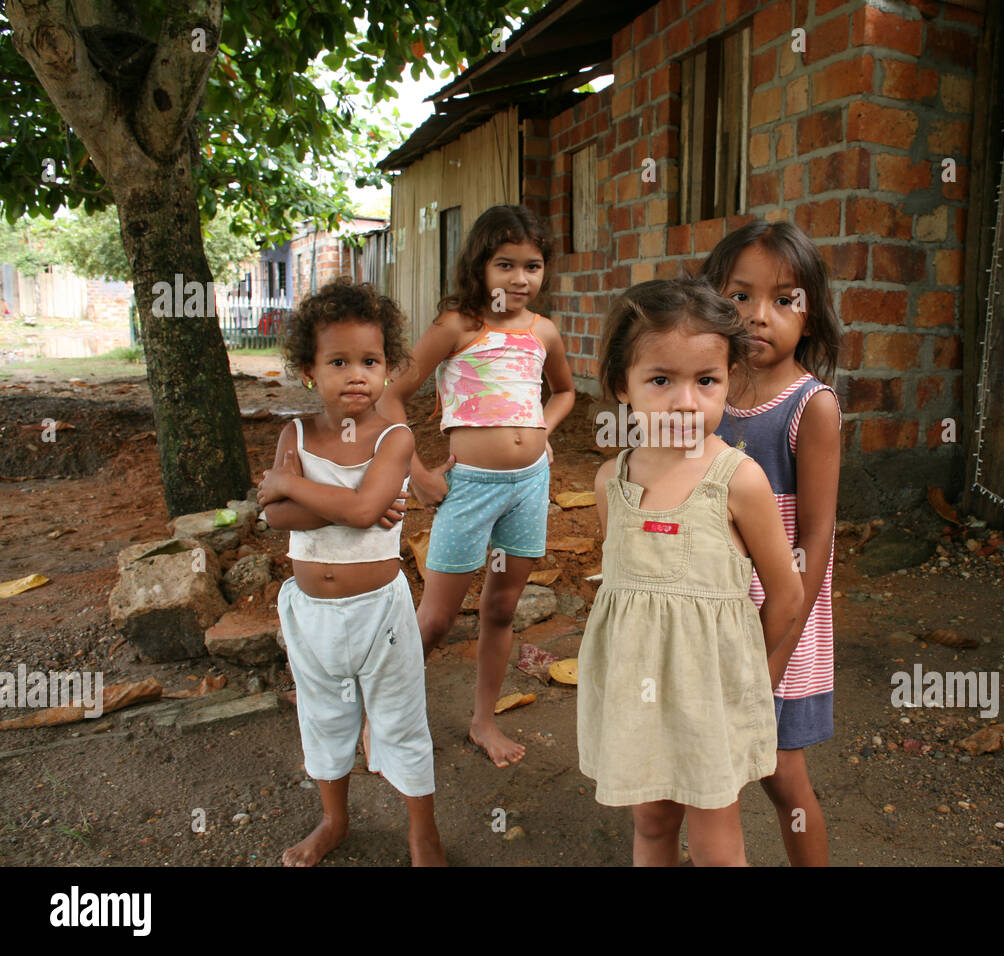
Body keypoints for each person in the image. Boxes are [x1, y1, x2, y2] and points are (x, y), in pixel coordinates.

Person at [577, 278, 804, 866]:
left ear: (729, 382)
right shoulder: (612, 483)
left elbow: (787, 595)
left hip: (711, 697)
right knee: (651, 821)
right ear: (620, 387)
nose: (685, 400)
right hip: (636, 692)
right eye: (661, 380)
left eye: (706, 381)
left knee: (715, 834)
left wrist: (754, 677)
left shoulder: (739, 480)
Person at [375, 205, 575, 768]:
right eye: (504, 264)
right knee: (436, 617)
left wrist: (542, 427)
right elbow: (392, 395)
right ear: (479, 267)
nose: (519, 279)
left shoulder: (544, 332)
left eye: (532, 267)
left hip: (530, 486)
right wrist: (415, 472)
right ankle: (378, 716)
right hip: (468, 488)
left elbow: (563, 393)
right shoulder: (457, 326)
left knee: (502, 608)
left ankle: (483, 722)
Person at [258, 277, 444, 866]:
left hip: (379, 616)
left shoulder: (395, 437)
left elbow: (362, 511)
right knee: (323, 719)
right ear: (309, 371)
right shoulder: (295, 433)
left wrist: (292, 486)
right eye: (338, 361)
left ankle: (423, 835)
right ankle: (334, 821)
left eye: (371, 360)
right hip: (309, 614)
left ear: (389, 369)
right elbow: (275, 519)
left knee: (401, 720)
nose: (357, 374)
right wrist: (345, 507)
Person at [700, 221, 843, 866]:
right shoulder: (706, 392)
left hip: (777, 617)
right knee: (707, 764)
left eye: (784, 299)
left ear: (809, 315)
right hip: (711, 610)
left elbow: (815, 538)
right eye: (739, 297)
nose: (759, 316)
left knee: (780, 774)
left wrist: (778, 649)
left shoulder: (810, 407)